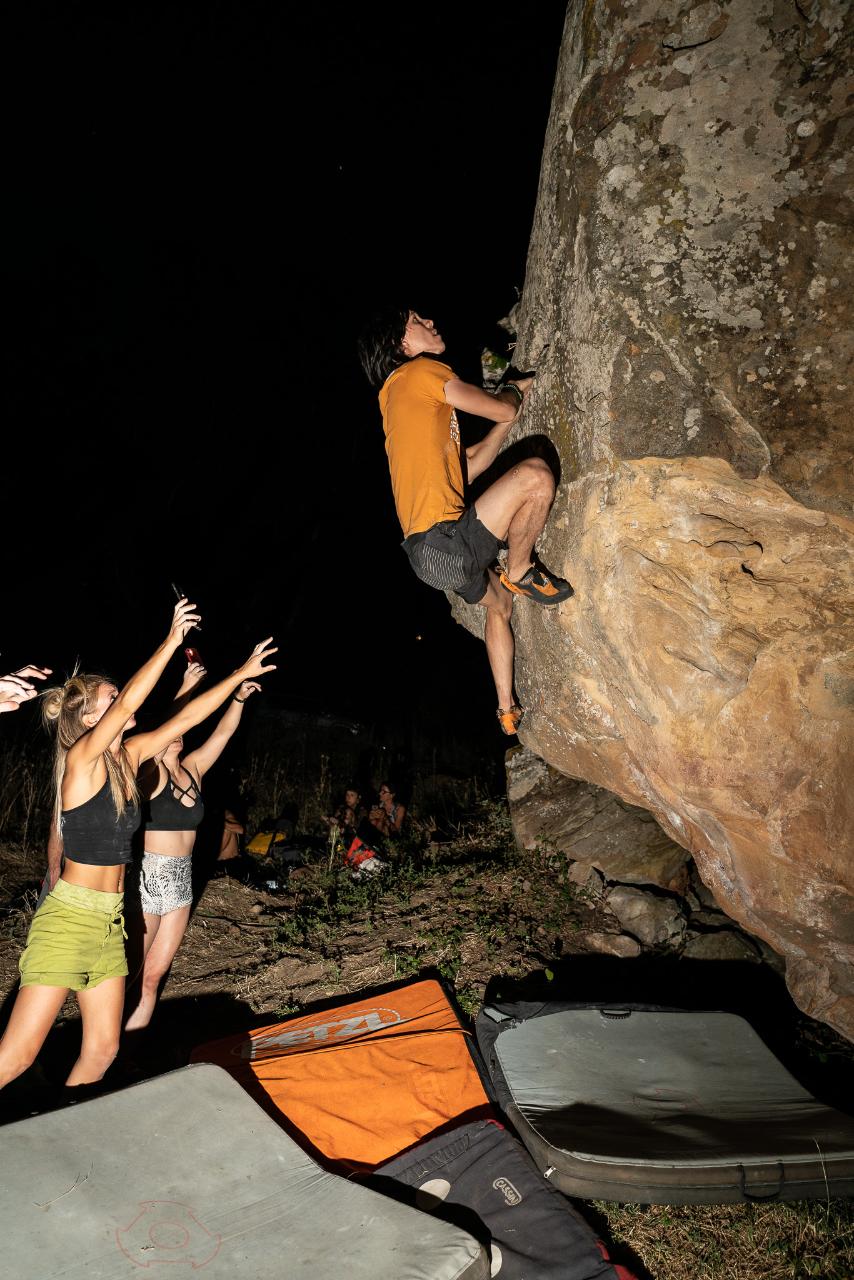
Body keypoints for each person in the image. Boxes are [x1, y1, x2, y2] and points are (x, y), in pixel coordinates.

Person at [0, 599, 276, 1094]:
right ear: (87, 719)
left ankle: (65, 1133)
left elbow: (186, 716)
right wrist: (171, 641)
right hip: (68, 920)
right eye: (108, 699)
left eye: (115, 696)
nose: (122, 702)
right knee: (16, 1058)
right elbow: (130, 703)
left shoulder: (130, 756)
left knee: (103, 1051)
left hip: (110, 920)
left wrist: (238, 676)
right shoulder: (82, 759)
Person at [358, 308, 572, 736]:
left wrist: (507, 417)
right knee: (535, 476)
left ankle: (506, 710)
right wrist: (513, 389)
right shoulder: (422, 373)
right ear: (402, 345)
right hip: (445, 541)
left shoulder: (397, 400)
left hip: (427, 558)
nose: (431, 322)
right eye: (417, 321)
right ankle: (520, 568)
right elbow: (501, 409)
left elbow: (471, 463)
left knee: (500, 606)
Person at [124, 674, 262, 1031]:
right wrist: (186, 687)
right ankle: (104, 1048)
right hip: (149, 879)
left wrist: (239, 698)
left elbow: (222, 734)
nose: (181, 734)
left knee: (154, 976)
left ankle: (131, 1054)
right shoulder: (148, 775)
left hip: (181, 881)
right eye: (175, 729)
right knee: (130, 975)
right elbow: (177, 720)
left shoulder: (194, 770)